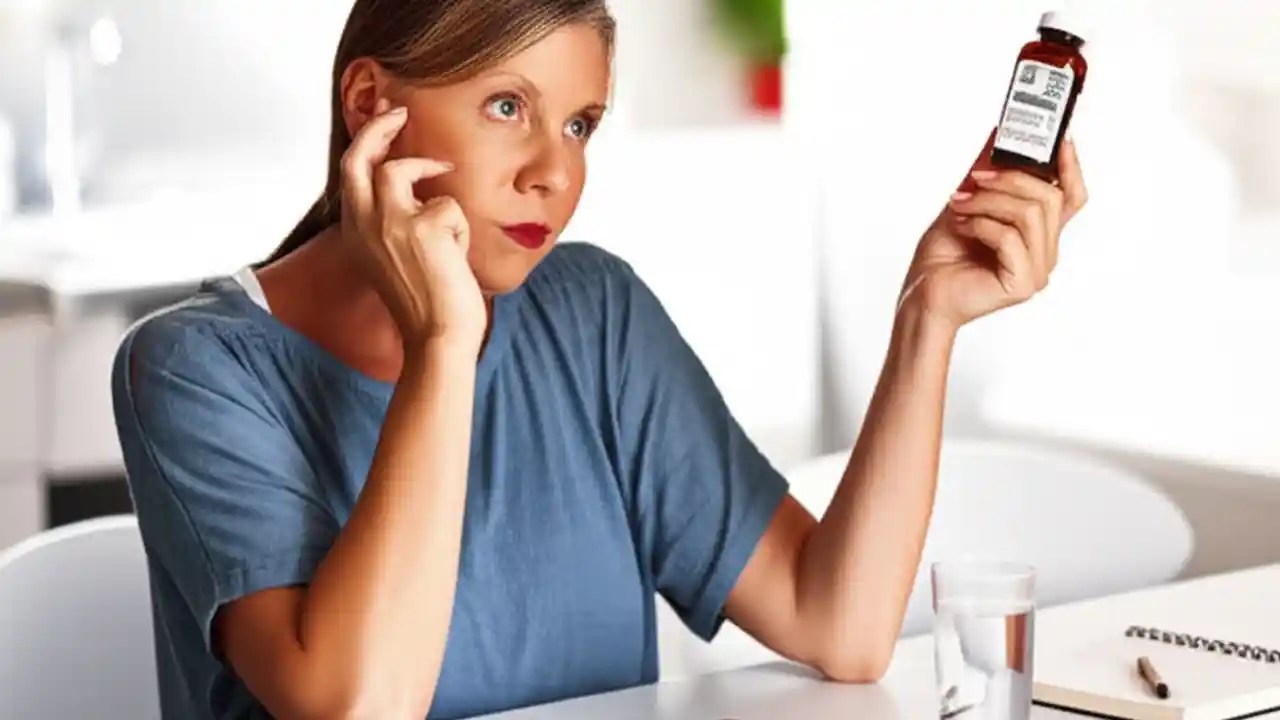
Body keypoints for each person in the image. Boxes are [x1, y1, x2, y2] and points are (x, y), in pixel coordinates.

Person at [110, 1, 1088, 718]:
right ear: (371, 102)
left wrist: (926, 319)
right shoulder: (196, 368)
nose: (557, 169)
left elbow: (837, 621)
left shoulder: (590, 314)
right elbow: (358, 708)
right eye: (506, 106)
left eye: (579, 123)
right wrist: (442, 344)